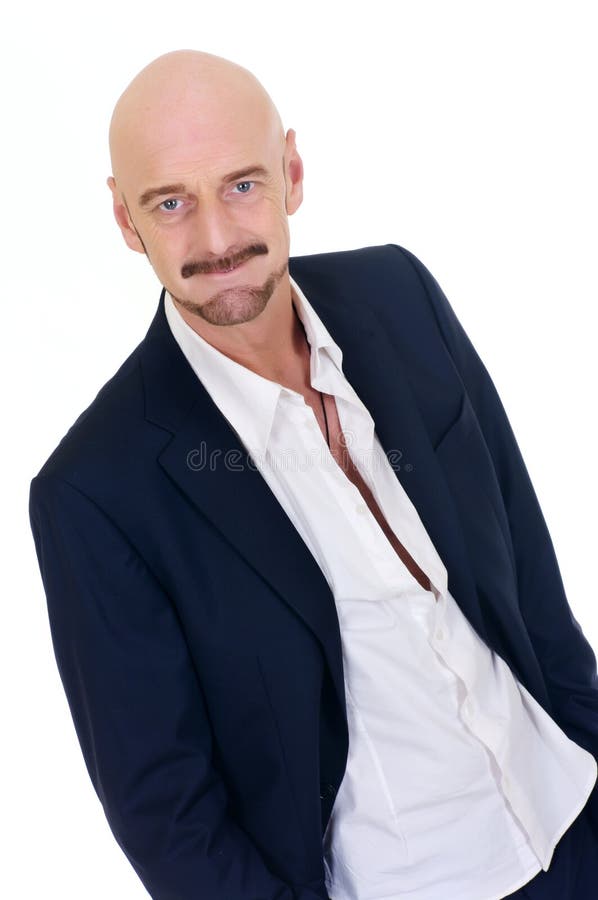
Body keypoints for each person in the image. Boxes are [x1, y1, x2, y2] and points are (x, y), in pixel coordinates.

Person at [28, 49, 598, 900]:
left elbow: (526, 559)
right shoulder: (93, 492)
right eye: (171, 203)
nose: (216, 240)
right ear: (124, 217)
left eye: (242, 185)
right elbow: (168, 818)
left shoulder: (400, 294)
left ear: (292, 174)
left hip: (574, 809)